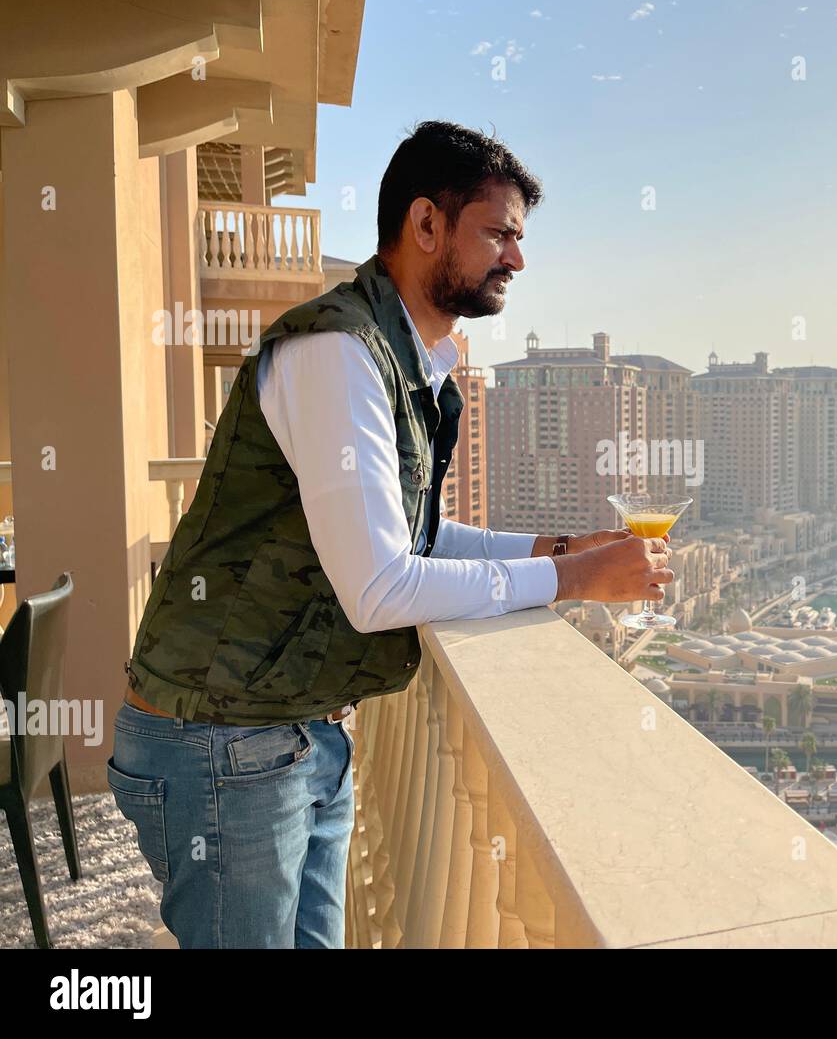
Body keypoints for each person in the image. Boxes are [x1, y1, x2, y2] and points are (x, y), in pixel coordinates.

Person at [107, 121, 673, 948]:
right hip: (224, 743)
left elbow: (420, 536)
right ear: (426, 225)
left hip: (297, 733)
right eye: (501, 233)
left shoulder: (396, 359)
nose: (518, 258)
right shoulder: (337, 352)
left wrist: (560, 550)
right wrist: (576, 583)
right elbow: (381, 588)